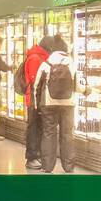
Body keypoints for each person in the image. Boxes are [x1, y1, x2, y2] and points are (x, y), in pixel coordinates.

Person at [34, 35, 83, 174]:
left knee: (49, 133)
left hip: (49, 103)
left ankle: (47, 167)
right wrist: (87, 91)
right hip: (68, 104)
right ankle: (68, 166)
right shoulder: (71, 64)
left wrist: (37, 104)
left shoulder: (46, 63)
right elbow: (78, 86)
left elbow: (36, 85)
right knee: (67, 134)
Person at [19, 41, 50, 170]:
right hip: (33, 100)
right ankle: (31, 158)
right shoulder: (35, 58)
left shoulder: (38, 57)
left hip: (37, 100)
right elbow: (34, 82)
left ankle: (36, 156)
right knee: (33, 128)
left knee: (37, 128)